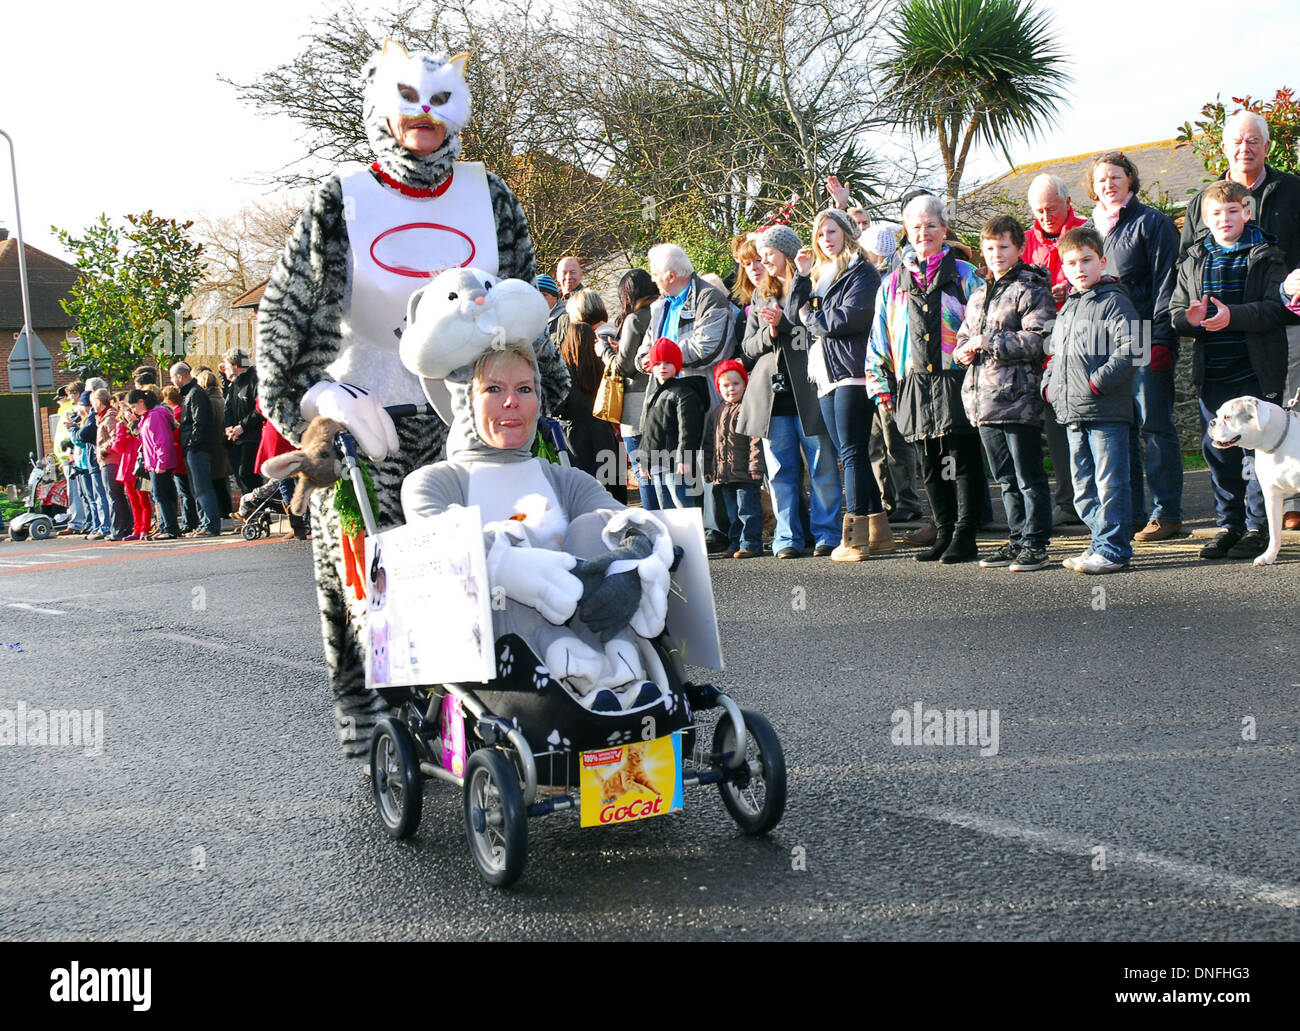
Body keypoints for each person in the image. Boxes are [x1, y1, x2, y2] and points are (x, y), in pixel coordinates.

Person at [256, 39, 569, 759]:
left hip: (480, 421)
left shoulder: (491, 195)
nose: (423, 116)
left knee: (509, 566)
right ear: (380, 106)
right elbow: (283, 316)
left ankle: (519, 713)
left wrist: (548, 397)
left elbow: (525, 311)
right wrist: (313, 404)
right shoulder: (339, 200)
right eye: (408, 100)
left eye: (439, 100)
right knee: (387, 597)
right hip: (371, 431)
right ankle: (391, 739)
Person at [402, 341, 680, 717]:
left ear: (538, 402)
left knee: (594, 527)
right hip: (502, 654)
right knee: (505, 539)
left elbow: (628, 524)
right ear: (467, 402)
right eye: (494, 389)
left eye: (524, 389)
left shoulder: (567, 480)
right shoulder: (434, 482)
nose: (511, 402)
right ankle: (571, 669)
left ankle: (618, 670)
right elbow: (439, 542)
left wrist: (630, 565)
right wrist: (513, 566)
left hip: (594, 637)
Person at [1181, 111, 1300, 530]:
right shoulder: (1202, 200)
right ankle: (1237, 523)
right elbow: (1185, 270)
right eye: (1237, 141)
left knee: (1282, 418)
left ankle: (1282, 508)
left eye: (1253, 140)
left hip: (1283, 321)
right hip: (1219, 347)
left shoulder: (1292, 191)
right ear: (1225, 147)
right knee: (1227, 437)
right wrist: (1186, 317)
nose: (1245, 148)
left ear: (1266, 146)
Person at [1170, 180, 1292, 561]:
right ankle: (1230, 524)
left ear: (1248, 212)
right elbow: (1175, 313)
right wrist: (1188, 321)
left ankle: (1258, 528)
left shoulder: (1268, 254)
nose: (1225, 218)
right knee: (1218, 451)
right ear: (1205, 219)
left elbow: (1279, 307)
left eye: (1233, 210)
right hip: (1214, 373)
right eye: (1216, 213)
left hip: (1257, 370)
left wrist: (1232, 317)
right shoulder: (1192, 258)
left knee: (1259, 454)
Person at [867, 193, 986, 563]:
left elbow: (984, 325)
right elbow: (879, 335)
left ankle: (965, 534)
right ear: (906, 232)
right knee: (930, 462)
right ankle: (944, 529)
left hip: (956, 379)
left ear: (944, 228)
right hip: (913, 382)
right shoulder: (892, 283)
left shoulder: (966, 276)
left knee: (961, 459)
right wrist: (879, 381)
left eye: (931, 225)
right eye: (916, 227)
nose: (924, 233)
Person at [1084, 151, 1182, 543]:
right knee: (1121, 428)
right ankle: (1133, 512)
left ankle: (1167, 513)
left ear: (1130, 179)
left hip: (1142, 333)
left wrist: (1160, 337)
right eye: (1101, 179)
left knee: (1154, 425)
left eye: (1115, 176)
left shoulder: (1151, 222)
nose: (1108, 184)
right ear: (1093, 187)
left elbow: (1166, 282)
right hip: (1103, 343)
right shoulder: (1091, 227)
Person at [954, 215, 1057, 572]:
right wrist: (963, 350)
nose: (996, 254)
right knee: (1006, 479)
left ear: (1018, 249)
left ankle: (1036, 543)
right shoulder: (979, 294)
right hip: (982, 401)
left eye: (1003, 247)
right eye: (989, 247)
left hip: (1018, 398)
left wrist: (989, 341)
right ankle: (1016, 539)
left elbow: (1039, 339)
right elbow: (963, 338)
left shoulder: (1032, 289)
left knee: (1028, 476)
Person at [738, 223, 842, 559]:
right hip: (772, 399)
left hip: (810, 392)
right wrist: (770, 332)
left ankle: (827, 534)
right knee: (781, 471)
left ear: (786, 252)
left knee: (822, 467)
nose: (763, 261)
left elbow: (816, 329)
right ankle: (787, 539)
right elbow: (748, 348)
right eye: (761, 254)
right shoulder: (759, 294)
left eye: (768, 253)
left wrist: (784, 323)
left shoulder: (813, 284)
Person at [788, 208, 886, 560]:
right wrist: (800, 277)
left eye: (831, 232)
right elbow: (791, 315)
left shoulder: (862, 271)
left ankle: (855, 537)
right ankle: (879, 533)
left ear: (846, 233)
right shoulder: (819, 274)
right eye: (819, 234)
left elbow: (848, 318)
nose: (825, 240)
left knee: (852, 453)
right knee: (850, 453)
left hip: (853, 371)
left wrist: (810, 318)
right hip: (827, 373)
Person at [1043, 227, 1139, 574]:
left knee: (1110, 483)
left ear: (1101, 260)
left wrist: (1097, 383)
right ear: (1063, 268)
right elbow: (1054, 355)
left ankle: (1113, 550)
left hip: (1105, 411)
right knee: (1083, 489)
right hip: (1071, 412)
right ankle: (1100, 544)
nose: (1079, 268)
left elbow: (1135, 348)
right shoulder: (1068, 307)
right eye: (1071, 262)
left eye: (1086, 260)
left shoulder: (1115, 300)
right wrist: (1048, 387)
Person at [1023, 173, 1088, 525]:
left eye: (1051, 208)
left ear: (1067, 202)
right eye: (1039, 210)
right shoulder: (1025, 241)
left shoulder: (1085, 232)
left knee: (1089, 425)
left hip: (1083, 342)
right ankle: (1065, 501)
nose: (1046, 216)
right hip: (1043, 350)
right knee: (1055, 430)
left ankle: (1095, 500)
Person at [702, 359, 765, 558]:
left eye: (736, 384)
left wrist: (755, 466)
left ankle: (751, 543)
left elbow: (755, 440)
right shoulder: (716, 413)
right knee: (732, 513)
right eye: (725, 385)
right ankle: (735, 541)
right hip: (724, 475)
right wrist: (708, 469)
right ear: (719, 388)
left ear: (745, 384)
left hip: (745, 473)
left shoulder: (748, 408)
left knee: (748, 510)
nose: (731, 389)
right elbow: (710, 444)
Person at [611, 269, 660, 509]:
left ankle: (654, 528)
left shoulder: (635, 319)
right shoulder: (664, 311)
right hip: (661, 397)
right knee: (663, 470)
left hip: (635, 403)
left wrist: (606, 352)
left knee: (644, 472)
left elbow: (624, 367)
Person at [640, 337, 709, 510]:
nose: (662, 367)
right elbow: (649, 432)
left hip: (676, 465)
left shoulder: (684, 393)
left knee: (683, 507)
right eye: (658, 363)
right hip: (657, 464)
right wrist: (644, 460)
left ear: (677, 365)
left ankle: (692, 537)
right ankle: (673, 538)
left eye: (668, 362)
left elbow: (689, 430)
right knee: (666, 510)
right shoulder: (653, 396)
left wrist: (684, 458)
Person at [558, 320, 623, 500]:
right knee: (613, 490)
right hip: (605, 433)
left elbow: (558, 407)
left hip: (575, 438)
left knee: (583, 493)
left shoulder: (564, 371)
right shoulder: (602, 366)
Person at [171, 362, 224, 537]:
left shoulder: (195, 394)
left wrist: (192, 443)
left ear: (180, 377)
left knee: (202, 487)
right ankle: (205, 523)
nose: (172, 382)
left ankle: (210, 524)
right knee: (196, 488)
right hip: (194, 447)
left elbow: (199, 422)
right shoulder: (191, 394)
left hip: (198, 448)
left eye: (172, 377)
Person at [128, 388, 181, 539]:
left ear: (141, 402)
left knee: (161, 495)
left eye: (133, 406)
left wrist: (161, 462)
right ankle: (167, 526)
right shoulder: (148, 416)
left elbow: (161, 441)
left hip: (159, 463)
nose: (133, 410)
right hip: (154, 462)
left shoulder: (154, 416)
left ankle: (169, 528)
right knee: (163, 494)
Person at [222, 348, 265, 498]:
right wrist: (229, 428)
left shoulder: (255, 380)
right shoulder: (234, 384)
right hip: (237, 437)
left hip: (254, 435)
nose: (225, 370)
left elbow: (260, 409)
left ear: (235, 365)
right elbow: (228, 409)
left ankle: (260, 506)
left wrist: (242, 426)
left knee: (246, 473)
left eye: (227, 366)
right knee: (240, 477)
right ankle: (252, 507)